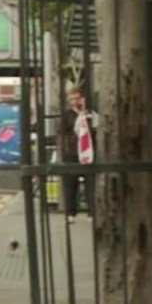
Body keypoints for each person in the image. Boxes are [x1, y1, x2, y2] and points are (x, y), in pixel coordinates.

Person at [60, 86, 97, 221]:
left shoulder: (89, 114)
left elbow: (95, 129)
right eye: (73, 99)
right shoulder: (67, 115)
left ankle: (92, 211)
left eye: (78, 98)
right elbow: (63, 134)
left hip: (88, 152)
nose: (76, 101)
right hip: (72, 153)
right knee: (71, 184)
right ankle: (71, 213)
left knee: (91, 184)